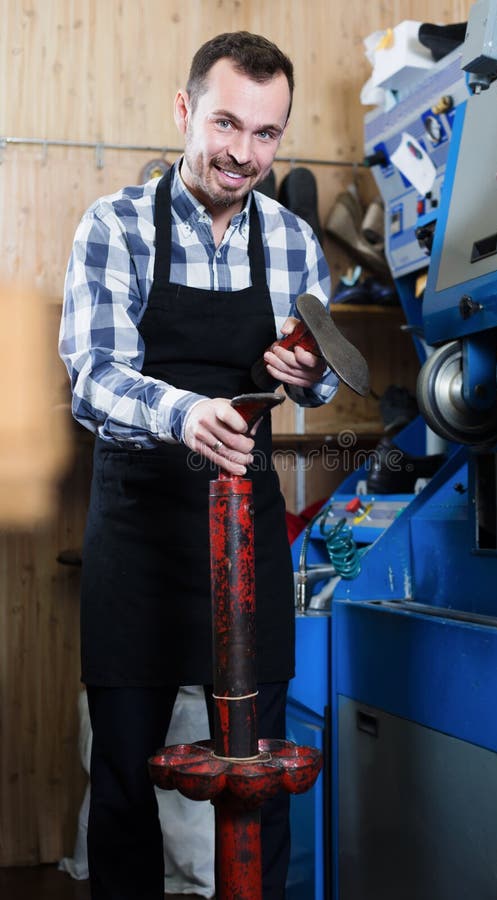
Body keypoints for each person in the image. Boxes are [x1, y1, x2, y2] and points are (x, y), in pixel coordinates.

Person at [59, 31, 338, 900]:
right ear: (185, 111)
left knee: (260, 780)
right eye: (226, 124)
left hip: (244, 531)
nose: (243, 153)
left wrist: (307, 372)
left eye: (265, 134)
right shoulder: (115, 226)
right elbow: (93, 377)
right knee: (124, 785)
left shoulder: (293, 243)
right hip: (139, 530)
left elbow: (322, 378)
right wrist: (184, 414)